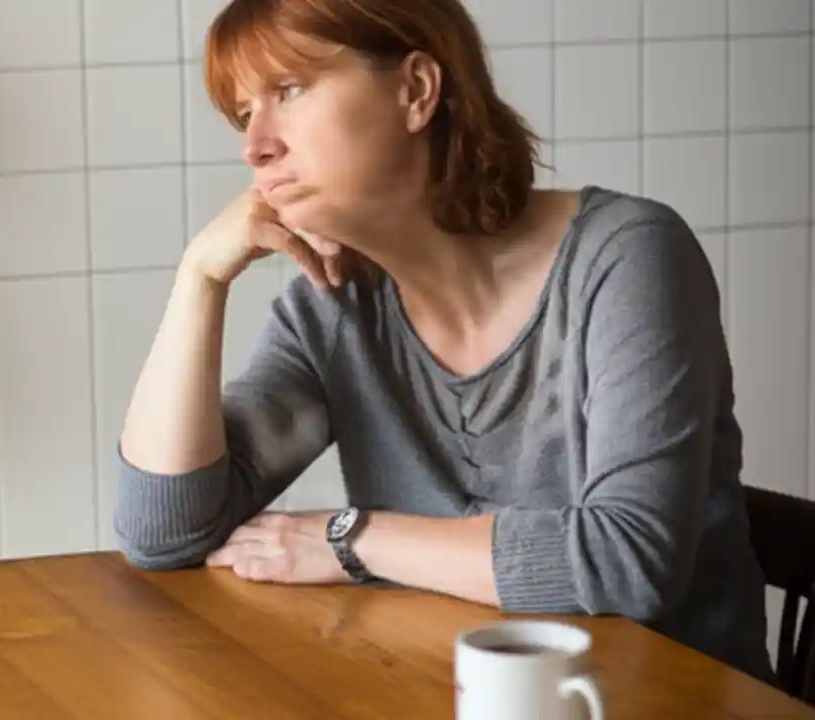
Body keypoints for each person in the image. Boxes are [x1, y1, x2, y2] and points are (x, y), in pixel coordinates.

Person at [112, 0, 774, 683]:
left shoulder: (626, 257)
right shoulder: (336, 311)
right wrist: (200, 279)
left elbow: (626, 563)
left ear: (416, 90)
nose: (256, 145)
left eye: (288, 90)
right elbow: (163, 532)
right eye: (246, 113)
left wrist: (350, 539)